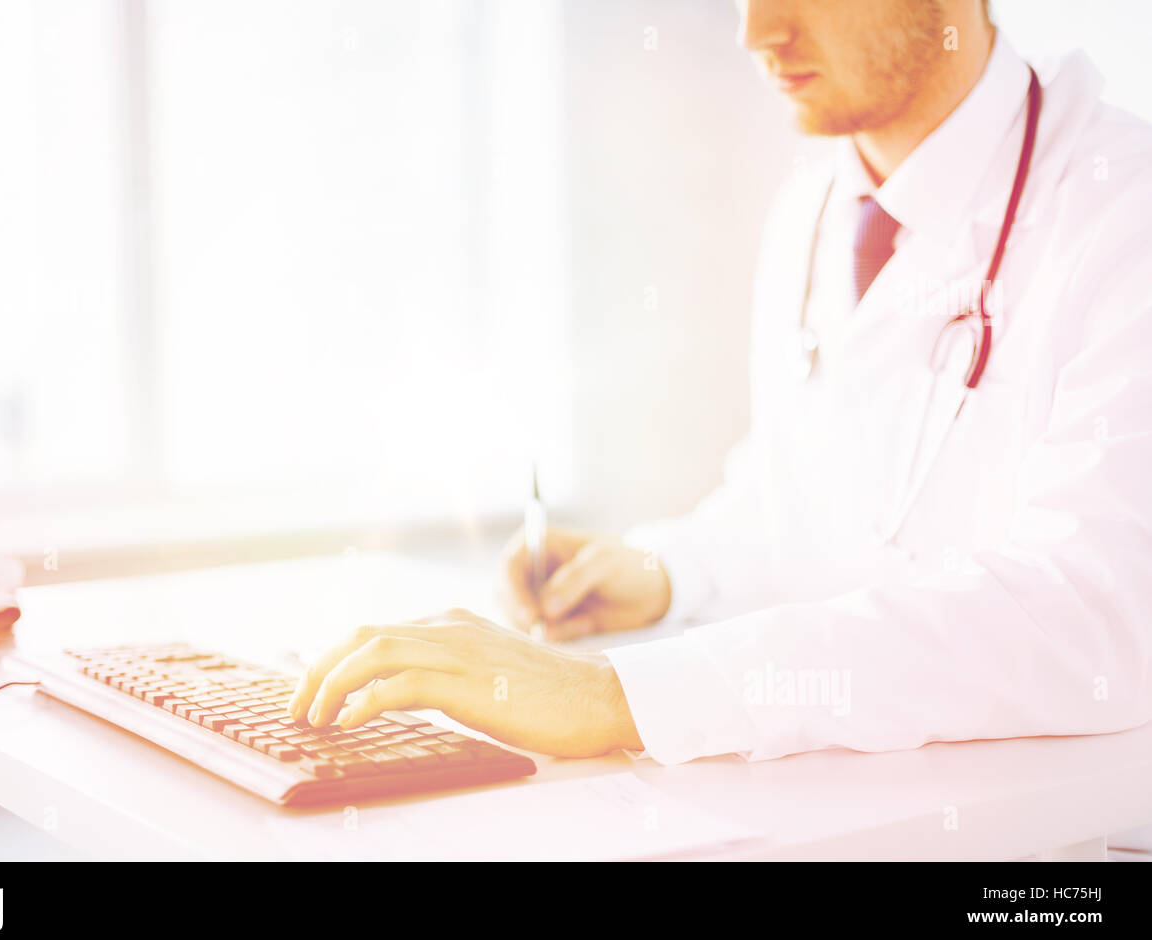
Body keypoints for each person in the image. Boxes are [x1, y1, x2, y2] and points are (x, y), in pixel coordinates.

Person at [288, 0, 1152, 769]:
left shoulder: (1123, 210)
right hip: (835, 802)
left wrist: (615, 697)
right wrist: (665, 571)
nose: (756, 32)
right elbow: (798, 505)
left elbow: (1087, 617)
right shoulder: (812, 209)